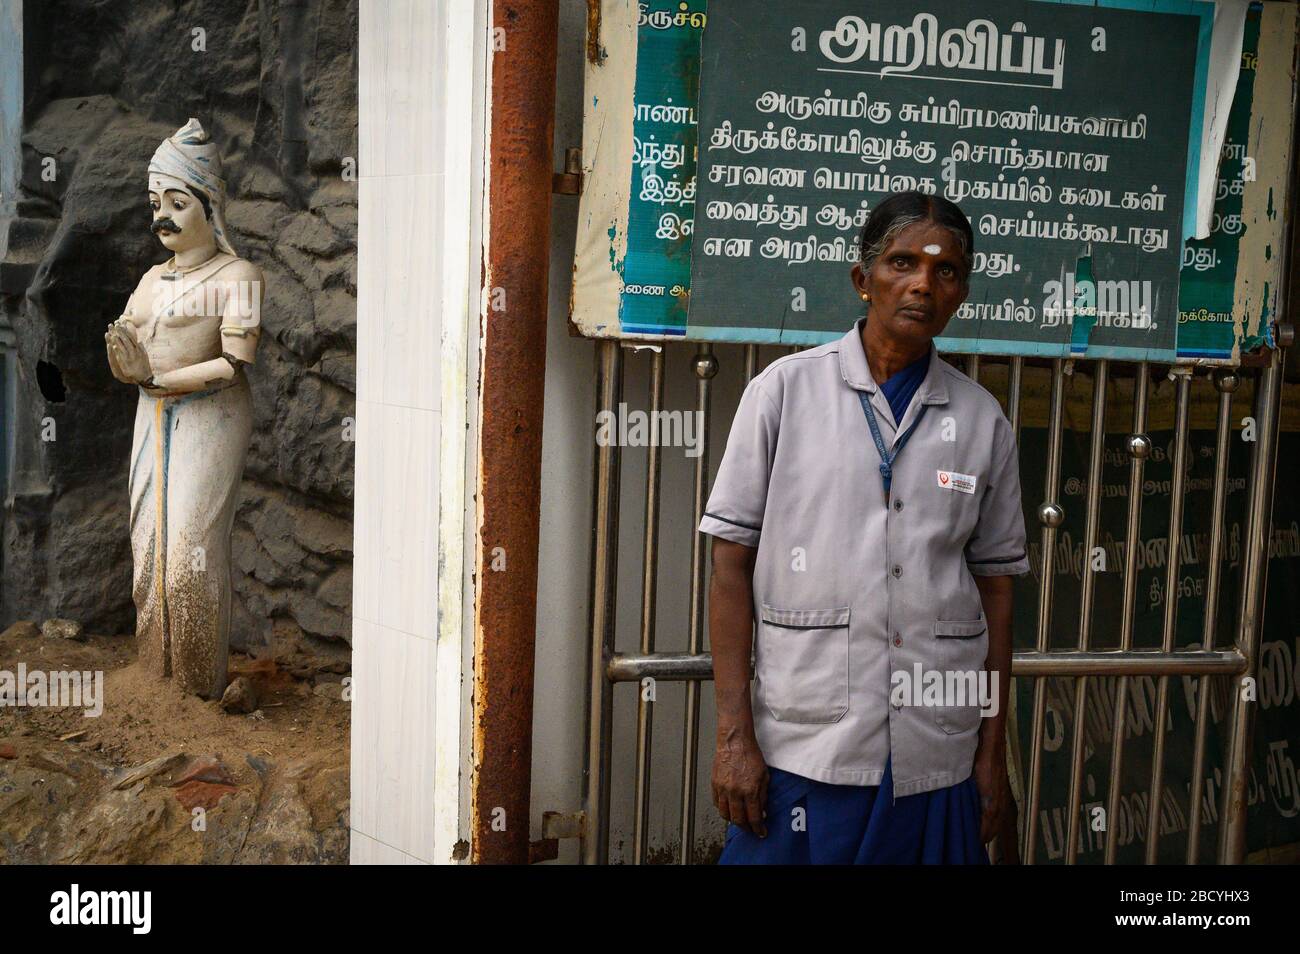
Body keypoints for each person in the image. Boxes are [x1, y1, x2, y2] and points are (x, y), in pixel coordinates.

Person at [701, 190, 1030, 864]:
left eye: (944, 272)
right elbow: (730, 561)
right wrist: (734, 735)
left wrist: (991, 755)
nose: (921, 285)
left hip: (935, 751)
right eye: (902, 263)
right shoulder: (784, 392)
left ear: (962, 292)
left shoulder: (980, 419)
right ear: (863, 279)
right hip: (807, 745)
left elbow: (996, 588)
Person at [104, 118, 263, 699]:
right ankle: (155, 673)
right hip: (152, 414)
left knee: (190, 548)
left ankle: (197, 685)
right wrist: (127, 364)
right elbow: (132, 344)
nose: (162, 216)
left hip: (210, 417)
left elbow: (232, 365)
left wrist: (158, 377)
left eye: (178, 201)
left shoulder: (240, 276)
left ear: (210, 206)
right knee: (150, 546)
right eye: (155, 203)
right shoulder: (151, 279)